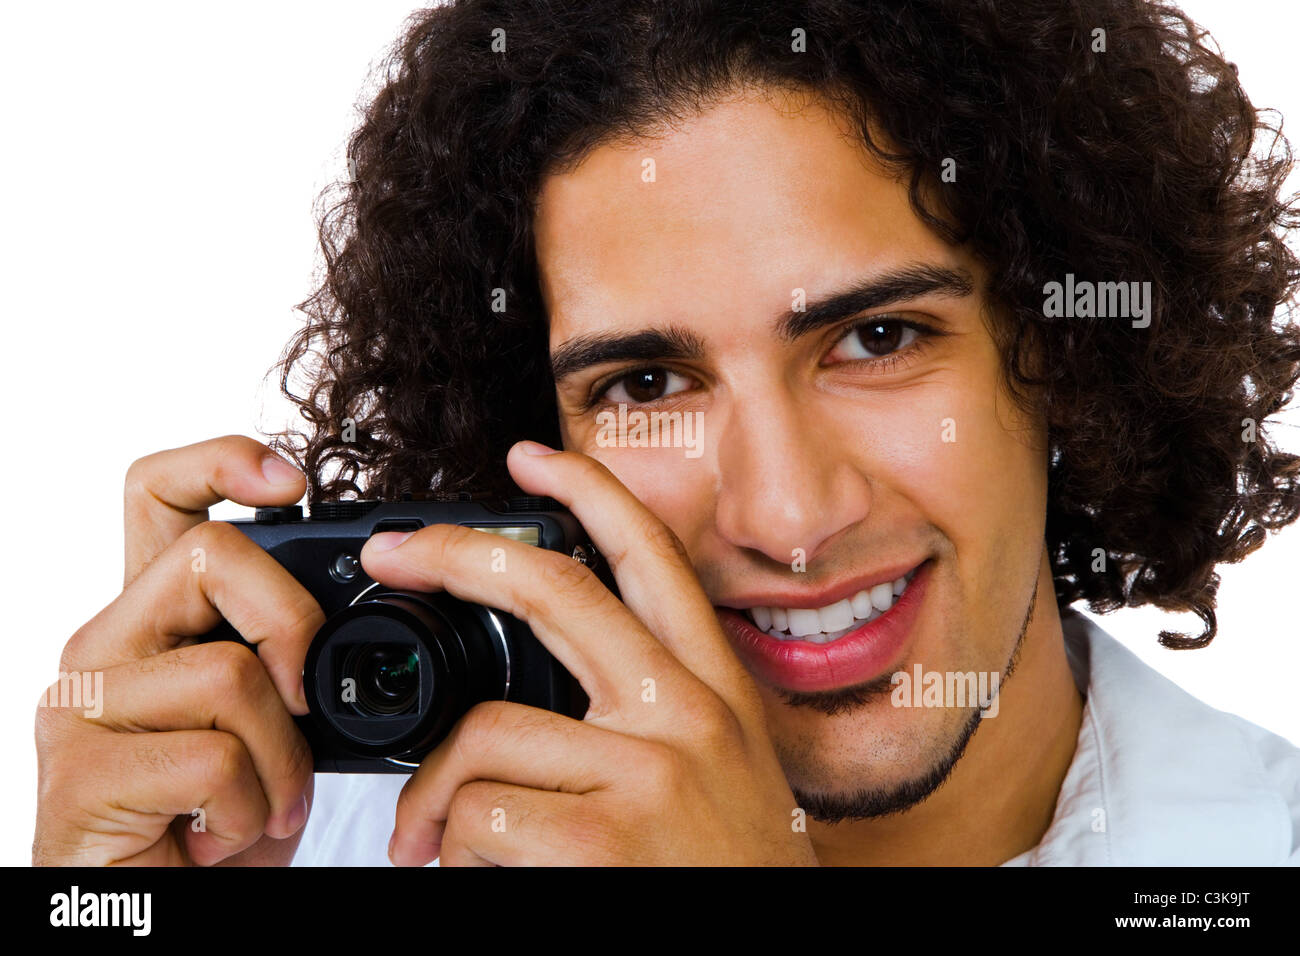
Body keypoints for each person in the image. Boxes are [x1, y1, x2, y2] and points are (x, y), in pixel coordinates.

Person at [35, 0, 1300, 866]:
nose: (789, 517)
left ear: (1061, 352)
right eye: (646, 383)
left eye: (877, 340)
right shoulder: (325, 836)